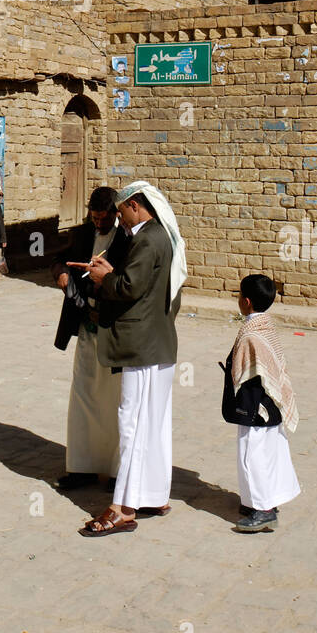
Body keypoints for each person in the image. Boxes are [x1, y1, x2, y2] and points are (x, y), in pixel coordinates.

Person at [80, 180, 185, 536]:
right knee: (152, 423)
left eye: (121, 210)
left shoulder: (148, 238)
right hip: (157, 345)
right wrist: (109, 269)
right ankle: (154, 494)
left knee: (133, 424)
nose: (118, 218)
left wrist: (104, 277)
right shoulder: (155, 236)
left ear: (136, 206)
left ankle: (123, 507)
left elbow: (128, 288)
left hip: (141, 346)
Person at [51, 186, 129, 491]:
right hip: (85, 323)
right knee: (83, 393)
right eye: (94, 218)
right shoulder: (83, 234)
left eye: (103, 218)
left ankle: (113, 471)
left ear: (115, 213)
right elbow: (59, 258)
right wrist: (60, 273)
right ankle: (81, 468)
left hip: (113, 327)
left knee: (113, 399)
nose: (99, 223)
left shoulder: (127, 238)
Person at [221, 274, 300, 533]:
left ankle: (263, 511)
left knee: (252, 455)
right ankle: (260, 501)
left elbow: (245, 370)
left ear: (245, 301)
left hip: (256, 406)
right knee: (268, 452)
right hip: (269, 402)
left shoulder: (252, 334)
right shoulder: (264, 325)